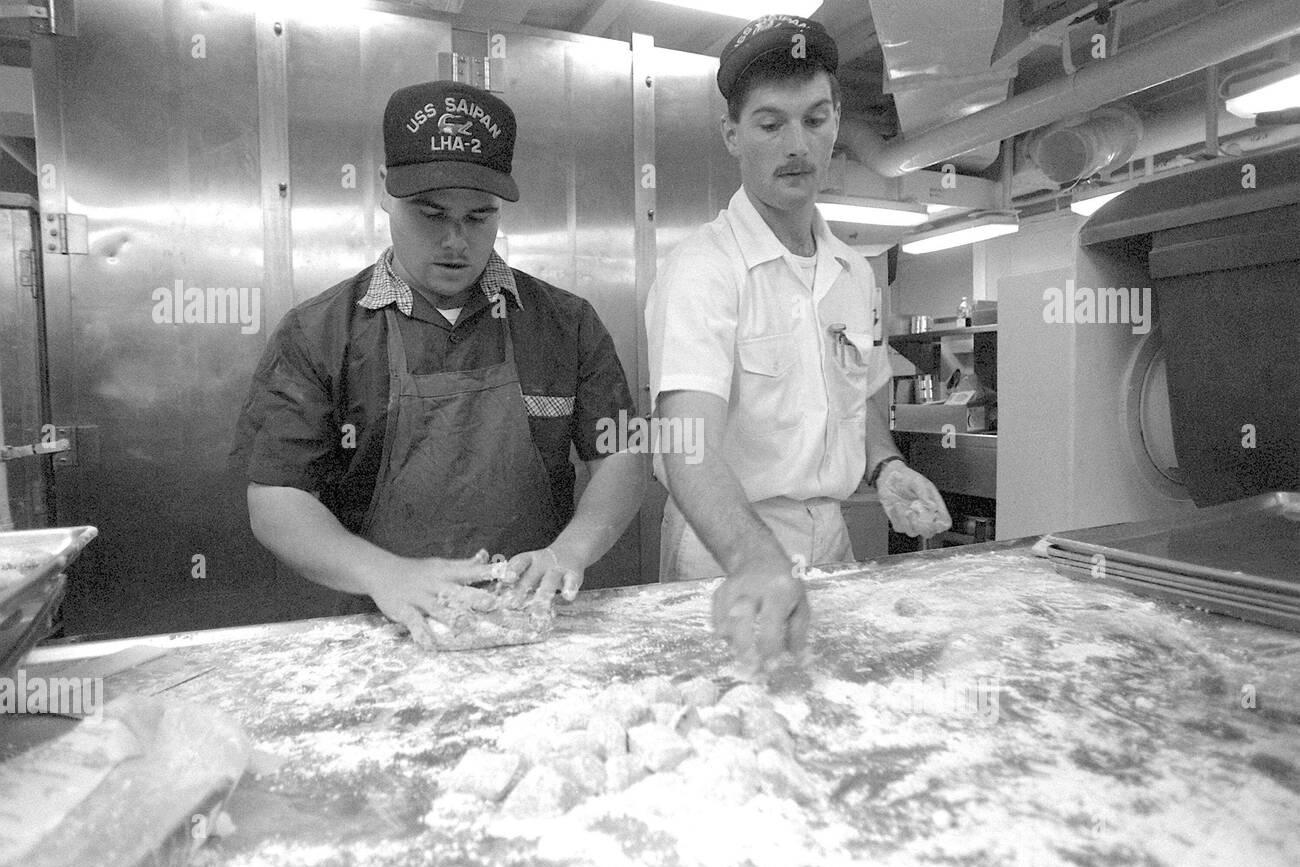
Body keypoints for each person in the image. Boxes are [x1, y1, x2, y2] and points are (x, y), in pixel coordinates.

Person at [231, 81, 645, 642]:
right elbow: (276, 497)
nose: (455, 241)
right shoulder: (319, 333)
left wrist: (569, 551)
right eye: (430, 214)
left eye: (479, 217)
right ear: (385, 190)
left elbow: (622, 454)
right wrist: (384, 574)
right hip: (382, 632)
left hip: (530, 624)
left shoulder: (564, 323)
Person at [645, 14, 951, 679]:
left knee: (829, 713)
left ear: (837, 123)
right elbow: (686, 447)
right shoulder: (704, 269)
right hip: (726, 554)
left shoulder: (855, 273)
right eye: (770, 124)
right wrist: (756, 560)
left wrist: (887, 469)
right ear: (732, 134)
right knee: (724, 722)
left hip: (829, 542)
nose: (796, 145)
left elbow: (860, 401)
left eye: (815, 120)